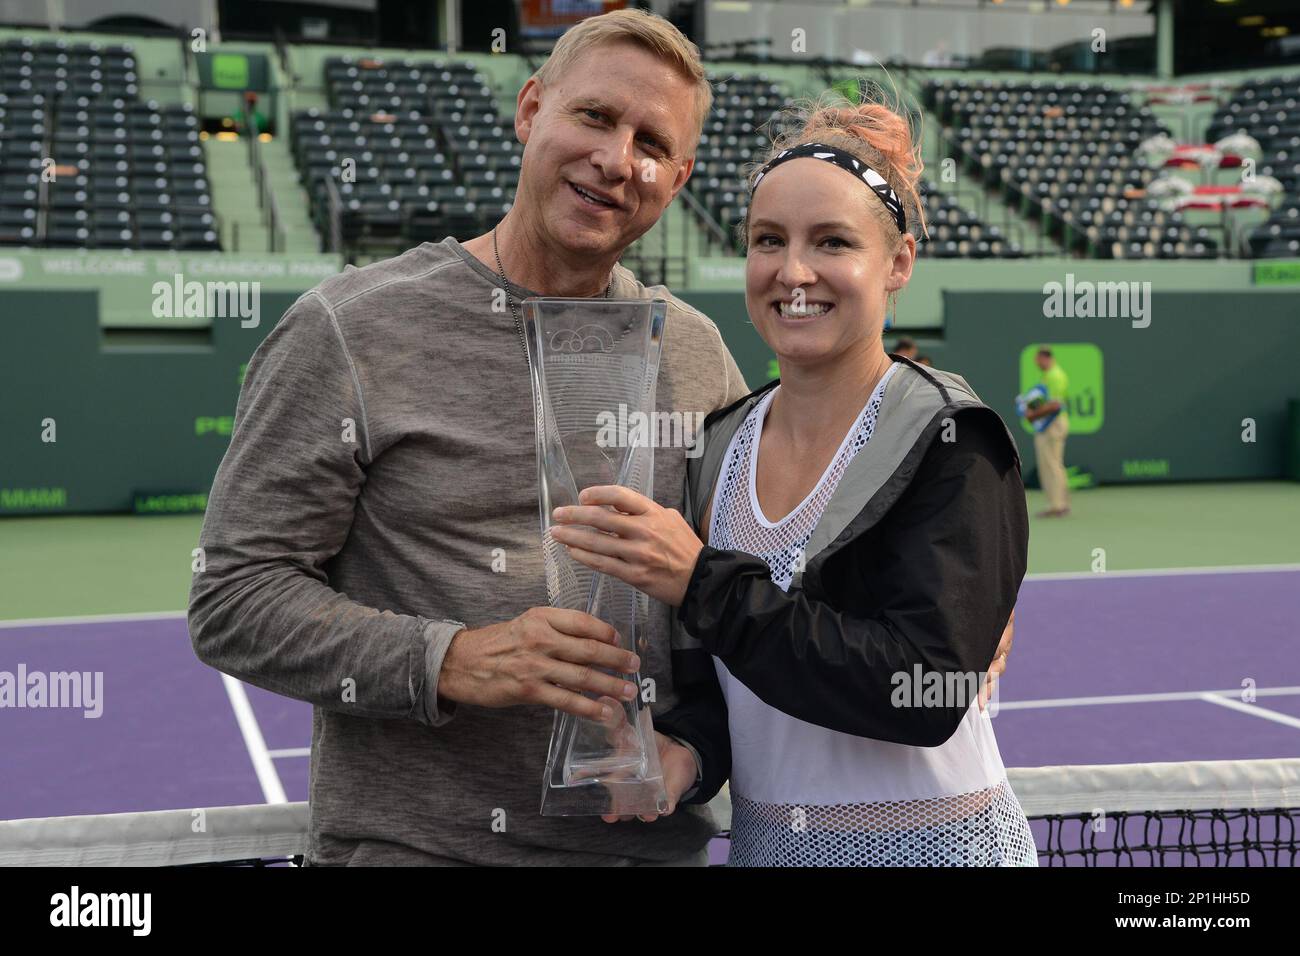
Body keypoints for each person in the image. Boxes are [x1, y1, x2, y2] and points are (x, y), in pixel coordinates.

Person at [189, 9, 743, 867]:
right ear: (530, 111)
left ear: (677, 177)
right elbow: (231, 600)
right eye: (594, 116)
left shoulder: (698, 354)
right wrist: (453, 660)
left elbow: (750, 586)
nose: (614, 158)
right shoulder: (348, 328)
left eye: (651, 142)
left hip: (644, 856)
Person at [550, 92, 1036, 866]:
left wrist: (702, 581)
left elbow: (924, 691)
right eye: (768, 240)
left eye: (833, 241)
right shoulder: (720, 444)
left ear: (898, 263)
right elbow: (728, 684)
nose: (793, 271)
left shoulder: (950, 438)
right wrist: (683, 759)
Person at [1023, 346, 1070, 518]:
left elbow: (1055, 405)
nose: (1036, 363)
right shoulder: (1048, 375)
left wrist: (1032, 415)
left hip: (1053, 424)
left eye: (1038, 359)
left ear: (1045, 358)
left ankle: (1057, 505)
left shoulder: (1055, 376)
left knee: (1052, 464)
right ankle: (1060, 504)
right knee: (1052, 463)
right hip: (1049, 424)